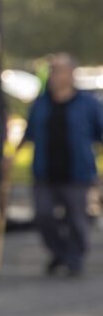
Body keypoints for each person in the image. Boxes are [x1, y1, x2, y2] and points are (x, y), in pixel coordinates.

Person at [18, 54, 103, 277]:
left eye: (59, 71)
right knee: (43, 215)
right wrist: (11, 156)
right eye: (52, 71)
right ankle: (60, 252)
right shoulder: (41, 103)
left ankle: (74, 258)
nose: (55, 76)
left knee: (77, 219)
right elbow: (29, 133)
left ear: (71, 74)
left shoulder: (88, 103)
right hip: (45, 171)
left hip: (77, 172)